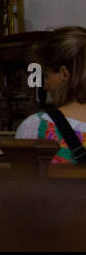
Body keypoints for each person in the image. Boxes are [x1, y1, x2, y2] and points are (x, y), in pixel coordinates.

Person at [15, 26, 86, 164]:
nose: (45, 86)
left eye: (46, 76)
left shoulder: (35, 126)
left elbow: (22, 183)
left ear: (64, 73)